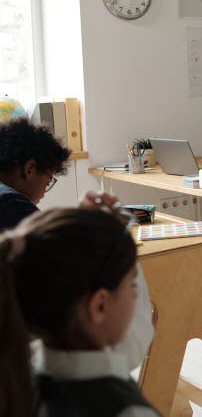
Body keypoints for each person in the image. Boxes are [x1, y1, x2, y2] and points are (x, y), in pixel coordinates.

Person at [0, 117, 153, 371]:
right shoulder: (10, 205)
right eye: (48, 181)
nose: (43, 194)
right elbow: (52, 254)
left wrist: (78, 219)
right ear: (29, 169)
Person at [0, 208, 159, 416]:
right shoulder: (128, 411)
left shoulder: (17, 380)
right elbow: (136, 342)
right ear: (99, 306)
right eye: (132, 285)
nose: (136, 296)